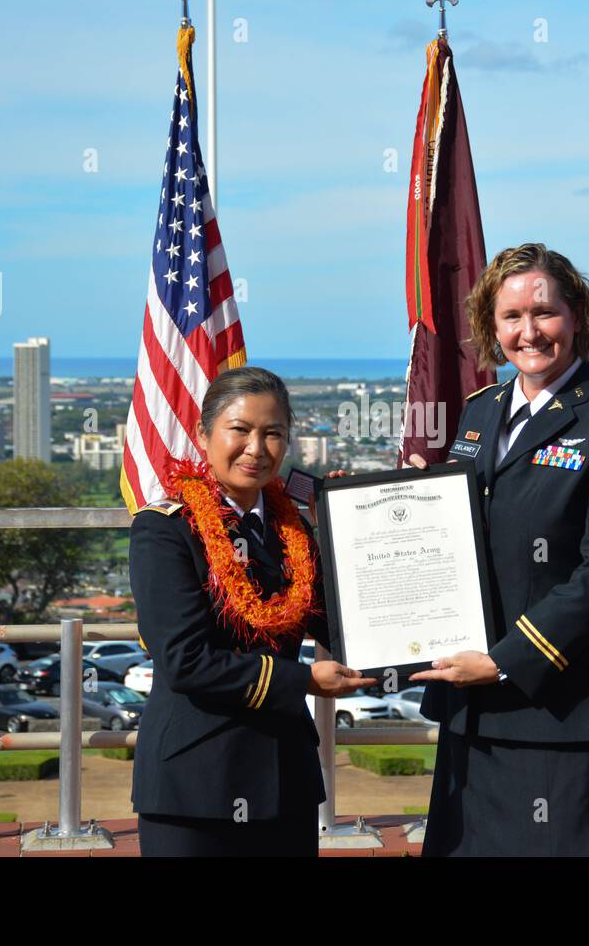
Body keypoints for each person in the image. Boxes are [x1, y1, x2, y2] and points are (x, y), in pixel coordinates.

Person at [407, 242, 589, 856]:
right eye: (511, 318)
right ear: (492, 330)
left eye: (544, 313)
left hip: (570, 708)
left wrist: (502, 662)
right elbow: (464, 537)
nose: (529, 332)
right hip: (474, 709)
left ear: (578, 316)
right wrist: (405, 506)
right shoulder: (479, 413)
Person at [129, 366, 375, 856]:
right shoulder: (164, 531)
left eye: (273, 434)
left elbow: (346, 625)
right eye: (239, 430)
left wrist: (352, 529)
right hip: (195, 780)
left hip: (284, 777)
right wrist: (302, 681)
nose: (256, 449)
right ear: (204, 435)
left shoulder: (296, 530)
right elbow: (184, 661)